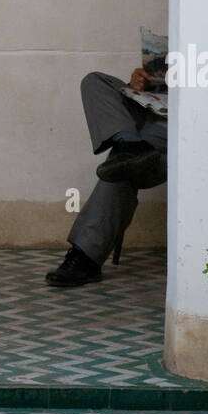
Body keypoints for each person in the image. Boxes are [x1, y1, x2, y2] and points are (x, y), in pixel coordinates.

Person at [45, 68, 167, 287]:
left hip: (176, 125)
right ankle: (128, 142)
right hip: (153, 107)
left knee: (122, 167)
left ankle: (86, 257)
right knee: (95, 81)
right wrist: (143, 81)